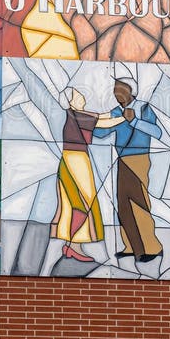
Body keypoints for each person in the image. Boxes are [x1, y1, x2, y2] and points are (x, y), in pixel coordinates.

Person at [93, 77, 164, 263]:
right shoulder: (116, 111)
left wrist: (134, 122)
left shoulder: (144, 108)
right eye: (115, 89)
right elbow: (100, 133)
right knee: (123, 205)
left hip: (139, 158)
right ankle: (131, 246)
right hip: (122, 160)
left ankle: (152, 247)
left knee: (139, 203)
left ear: (131, 91)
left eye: (120, 89)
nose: (116, 93)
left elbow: (157, 133)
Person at [54, 87, 125, 262]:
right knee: (84, 201)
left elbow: (103, 116)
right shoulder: (76, 116)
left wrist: (117, 112)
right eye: (78, 96)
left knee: (76, 202)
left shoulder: (77, 115)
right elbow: (103, 122)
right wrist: (125, 117)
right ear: (70, 102)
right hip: (75, 160)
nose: (82, 98)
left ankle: (73, 245)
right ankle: (72, 245)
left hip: (75, 159)